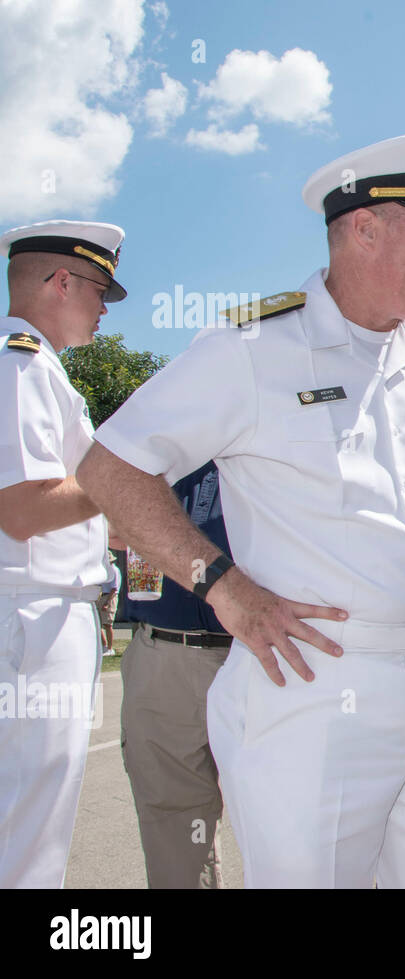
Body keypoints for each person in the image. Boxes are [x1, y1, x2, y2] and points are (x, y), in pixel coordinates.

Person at [77, 132, 405, 888]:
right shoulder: (253, 347)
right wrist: (223, 587)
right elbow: (110, 466)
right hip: (312, 691)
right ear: (363, 227)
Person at [0, 220, 125, 888]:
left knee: (29, 820)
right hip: (34, 616)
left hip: (44, 613)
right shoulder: (17, 365)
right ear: (60, 281)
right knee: (28, 833)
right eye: (101, 291)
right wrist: (121, 479)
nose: (104, 309)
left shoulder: (35, 368)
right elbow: (22, 509)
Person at [118, 460, 233, 888]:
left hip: (262, 652)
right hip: (161, 651)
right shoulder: (145, 428)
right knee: (175, 821)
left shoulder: (281, 410)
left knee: (300, 814)